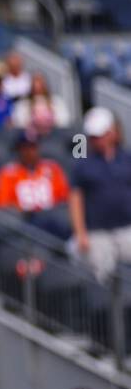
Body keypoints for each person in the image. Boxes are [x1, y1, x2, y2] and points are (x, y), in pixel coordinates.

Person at [69, 107, 131, 280]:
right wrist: (80, 232)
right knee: (103, 277)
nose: (96, 140)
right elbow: (75, 198)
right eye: (93, 137)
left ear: (111, 132)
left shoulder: (126, 158)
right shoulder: (83, 164)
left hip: (126, 228)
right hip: (97, 233)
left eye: (100, 135)